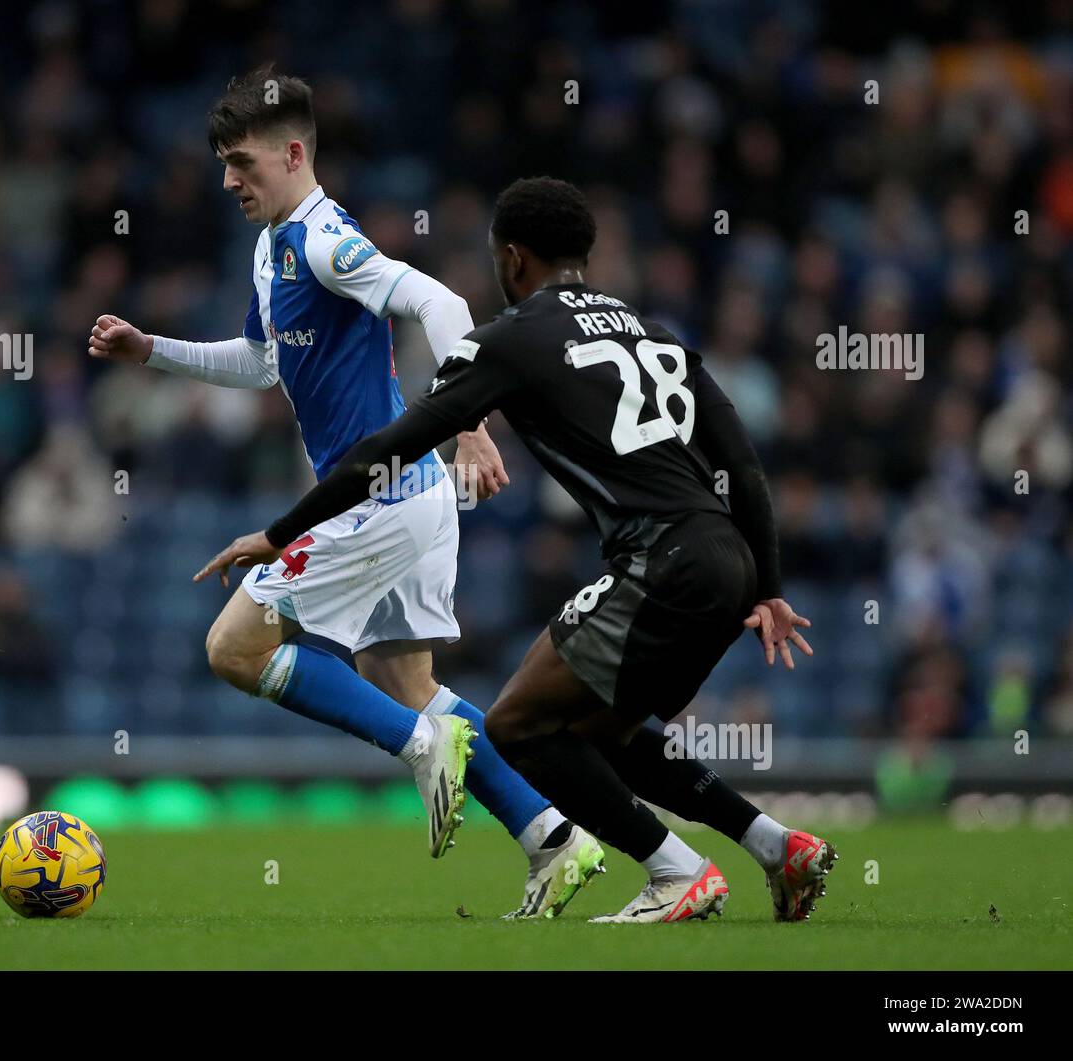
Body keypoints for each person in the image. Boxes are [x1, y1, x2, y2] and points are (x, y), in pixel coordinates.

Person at [201, 176, 837, 923]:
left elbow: (393, 446)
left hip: (661, 559)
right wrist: (767, 584)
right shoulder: (650, 331)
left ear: (511, 258)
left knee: (513, 726)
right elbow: (745, 465)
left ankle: (679, 871)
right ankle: (774, 845)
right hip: (729, 561)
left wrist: (280, 531)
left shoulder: (514, 336)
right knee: (605, 734)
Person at [89, 71, 602, 919]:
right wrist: (155, 350)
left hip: (380, 494)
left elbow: (436, 299)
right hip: (406, 494)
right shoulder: (272, 246)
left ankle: (419, 747)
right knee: (406, 683)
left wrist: (472, 416)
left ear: (294, 153)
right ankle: (554, 835)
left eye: (242, 163)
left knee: (233, 648)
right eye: (221, 164)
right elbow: (261, 362)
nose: (228, 181)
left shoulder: (327, 240)